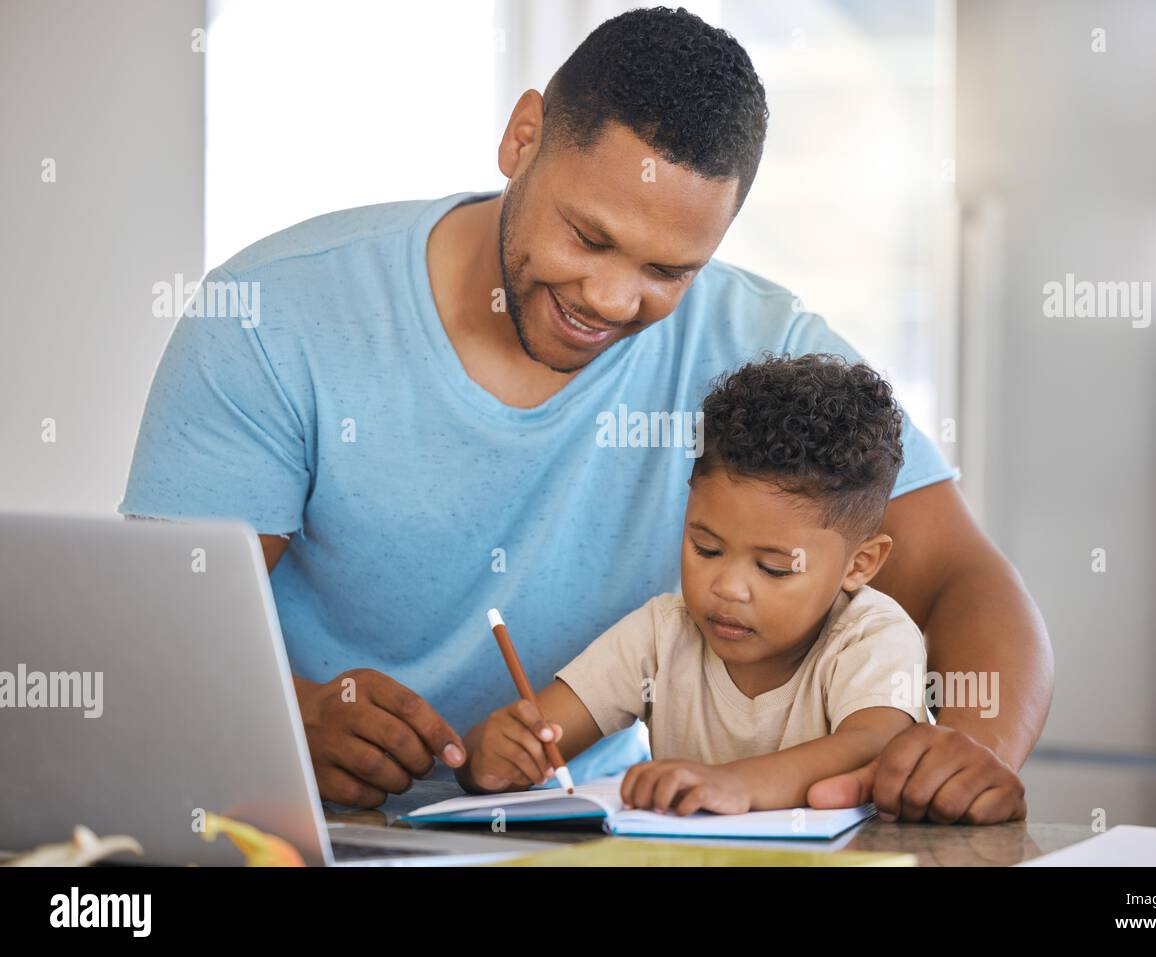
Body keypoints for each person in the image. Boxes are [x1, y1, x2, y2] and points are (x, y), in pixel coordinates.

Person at [120, 6, 1050, 823]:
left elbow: (967, 579)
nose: (609, 298)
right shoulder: (274, 315)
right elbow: (156, 629)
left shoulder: (759, 339)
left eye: (667, 271)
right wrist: (278, 718)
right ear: (522, 137)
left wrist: (972, 752)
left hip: (606, 841)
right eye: (589, 236)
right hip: (308, 836)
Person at [459, 354, 932, 815]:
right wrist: (493, 755)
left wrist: (737, 782)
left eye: (773, 568)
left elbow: (874, 744)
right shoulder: (662, 634)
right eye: (706, 548)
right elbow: (545, 731)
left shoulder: (872, 636)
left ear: (860, 564)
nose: (727, 588)